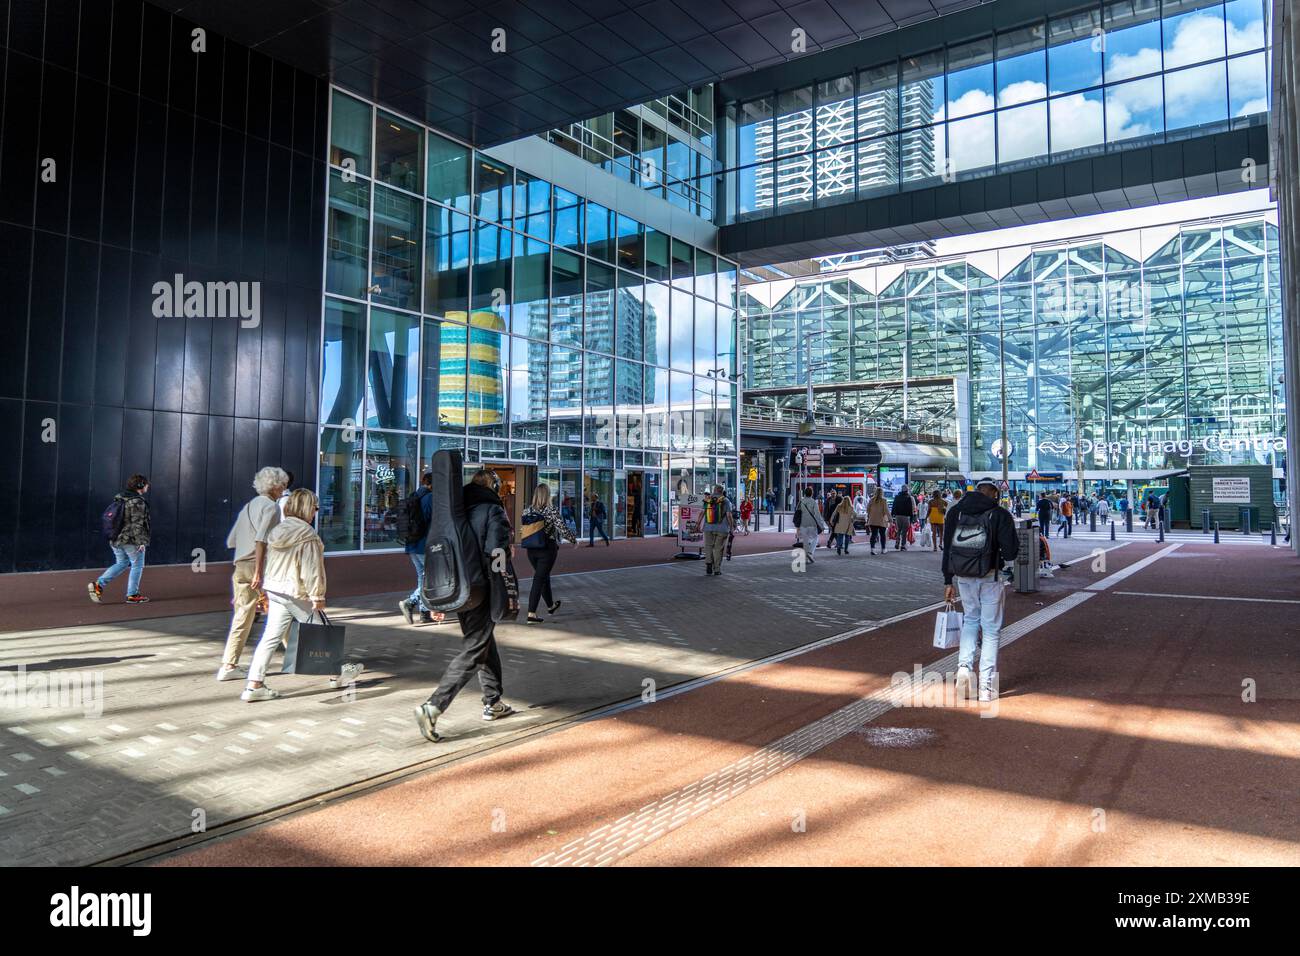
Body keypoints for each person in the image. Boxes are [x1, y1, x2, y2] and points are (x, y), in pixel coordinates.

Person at [414, 468, 520, 741]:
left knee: (484, 643)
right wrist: (507, 554)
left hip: (459, 587)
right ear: (494, 487)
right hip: (482, 587)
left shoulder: (453, 512)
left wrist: (437, 597)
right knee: (475, 649)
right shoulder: (492, 510)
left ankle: (493, 701)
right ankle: (434, 706)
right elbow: (496, 552)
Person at [240, 489, 363, 702]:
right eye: (315, 508)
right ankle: (338, 674)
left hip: (276, 589)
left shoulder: (278, 531)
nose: (316, 512)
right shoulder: (308, 535)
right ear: (307, 509)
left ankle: (254, 685)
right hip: (297, 592)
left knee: (270, 638)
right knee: (323, 633)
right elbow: (312, 569)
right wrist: (318, 596)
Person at [942, 478, 1019, 703]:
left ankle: (964, 668)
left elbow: (947, 548)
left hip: (963, 576)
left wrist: (948, 581)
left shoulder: (955, 512)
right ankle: (985, 687)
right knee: (991, 629)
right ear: (994, 493)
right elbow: (1012, 552)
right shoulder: (999, 514)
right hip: (990, 576)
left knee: (970, 621)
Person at [216, 466, 287, 682]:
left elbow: (231, 541)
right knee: (283, 610)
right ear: (274, 486)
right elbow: (262, 539)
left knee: (242, 616)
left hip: (240, 567)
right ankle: (299, 657)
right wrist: (258, 571)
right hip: (261, 567)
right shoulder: (272, 508)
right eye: (282, 484)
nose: (284, 488)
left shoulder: (248, 507)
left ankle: (229, 664)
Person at [88, 474, 152, 605]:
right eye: (146, 484)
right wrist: (141, 542)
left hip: (115, 538)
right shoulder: (137, 501)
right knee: (137, 565)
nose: (147, 486)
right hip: (130, 540)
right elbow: (137, 524)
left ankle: (98, 585)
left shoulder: (120, 498)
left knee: (122, 563)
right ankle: (132, 595)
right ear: (140, 486)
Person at [520, 483, 575, 625]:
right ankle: (531, 614)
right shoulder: (551, 510)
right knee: (539, 579)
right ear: (547, 495)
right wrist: (573, 540)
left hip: (531, 550)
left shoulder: (527, 511)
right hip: (546, 549)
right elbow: (562, 528)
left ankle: (550, 606)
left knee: (543, 576)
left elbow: (523, 530)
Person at [397, 472, 447, 627]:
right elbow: (437, 522)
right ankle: (410, 602)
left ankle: (424, 612)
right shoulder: (431, 498)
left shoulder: (414, 496)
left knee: (423, 577)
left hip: (412, 544)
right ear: (433, 484)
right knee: (429, 579)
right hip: (425, 545)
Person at [695, 484, 735, 576]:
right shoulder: (725, 500)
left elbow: (702, 512)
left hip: (708, 527)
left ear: (714, 490)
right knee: (718, 548)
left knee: (708, 546)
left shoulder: (708, 499)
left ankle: (709, 564)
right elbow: (729, 515)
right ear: (722, 491)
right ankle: (717, 569)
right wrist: (731, 527)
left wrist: (698, 524)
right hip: (722, 528)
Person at [795, 486, 826, 563]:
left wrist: (797, 526)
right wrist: (822, 525)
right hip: (812, 524)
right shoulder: (813, 502)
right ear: (812, 493)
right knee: (815, 538)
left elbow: (797, 513)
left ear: (805, 493)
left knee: (805, 541)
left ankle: (806, 559)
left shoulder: (801, 501)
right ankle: (810, 552)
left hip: (803, 523)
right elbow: (817, 515)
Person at [890, 486, 915, 551]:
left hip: (898, 516)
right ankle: (903, 545)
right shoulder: (909, 497)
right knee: (904, 532)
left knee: (898, 530)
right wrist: (912, 518)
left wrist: (892, 515)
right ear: (907, 490)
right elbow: (911, 509)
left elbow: (894, 506)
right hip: (906, 517)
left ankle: (897, 542)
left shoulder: (897, 497)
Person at [867, 487, 889, 555]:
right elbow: (886, 511)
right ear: (882, 493)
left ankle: (872, 549)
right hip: (882, 520)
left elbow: (868, 509)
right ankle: (883, 549)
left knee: (873, 535)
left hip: (873, 520)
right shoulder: (884, 500)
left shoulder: (871, 500)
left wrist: (870, 516)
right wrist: (890, 519)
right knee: (882, 535)